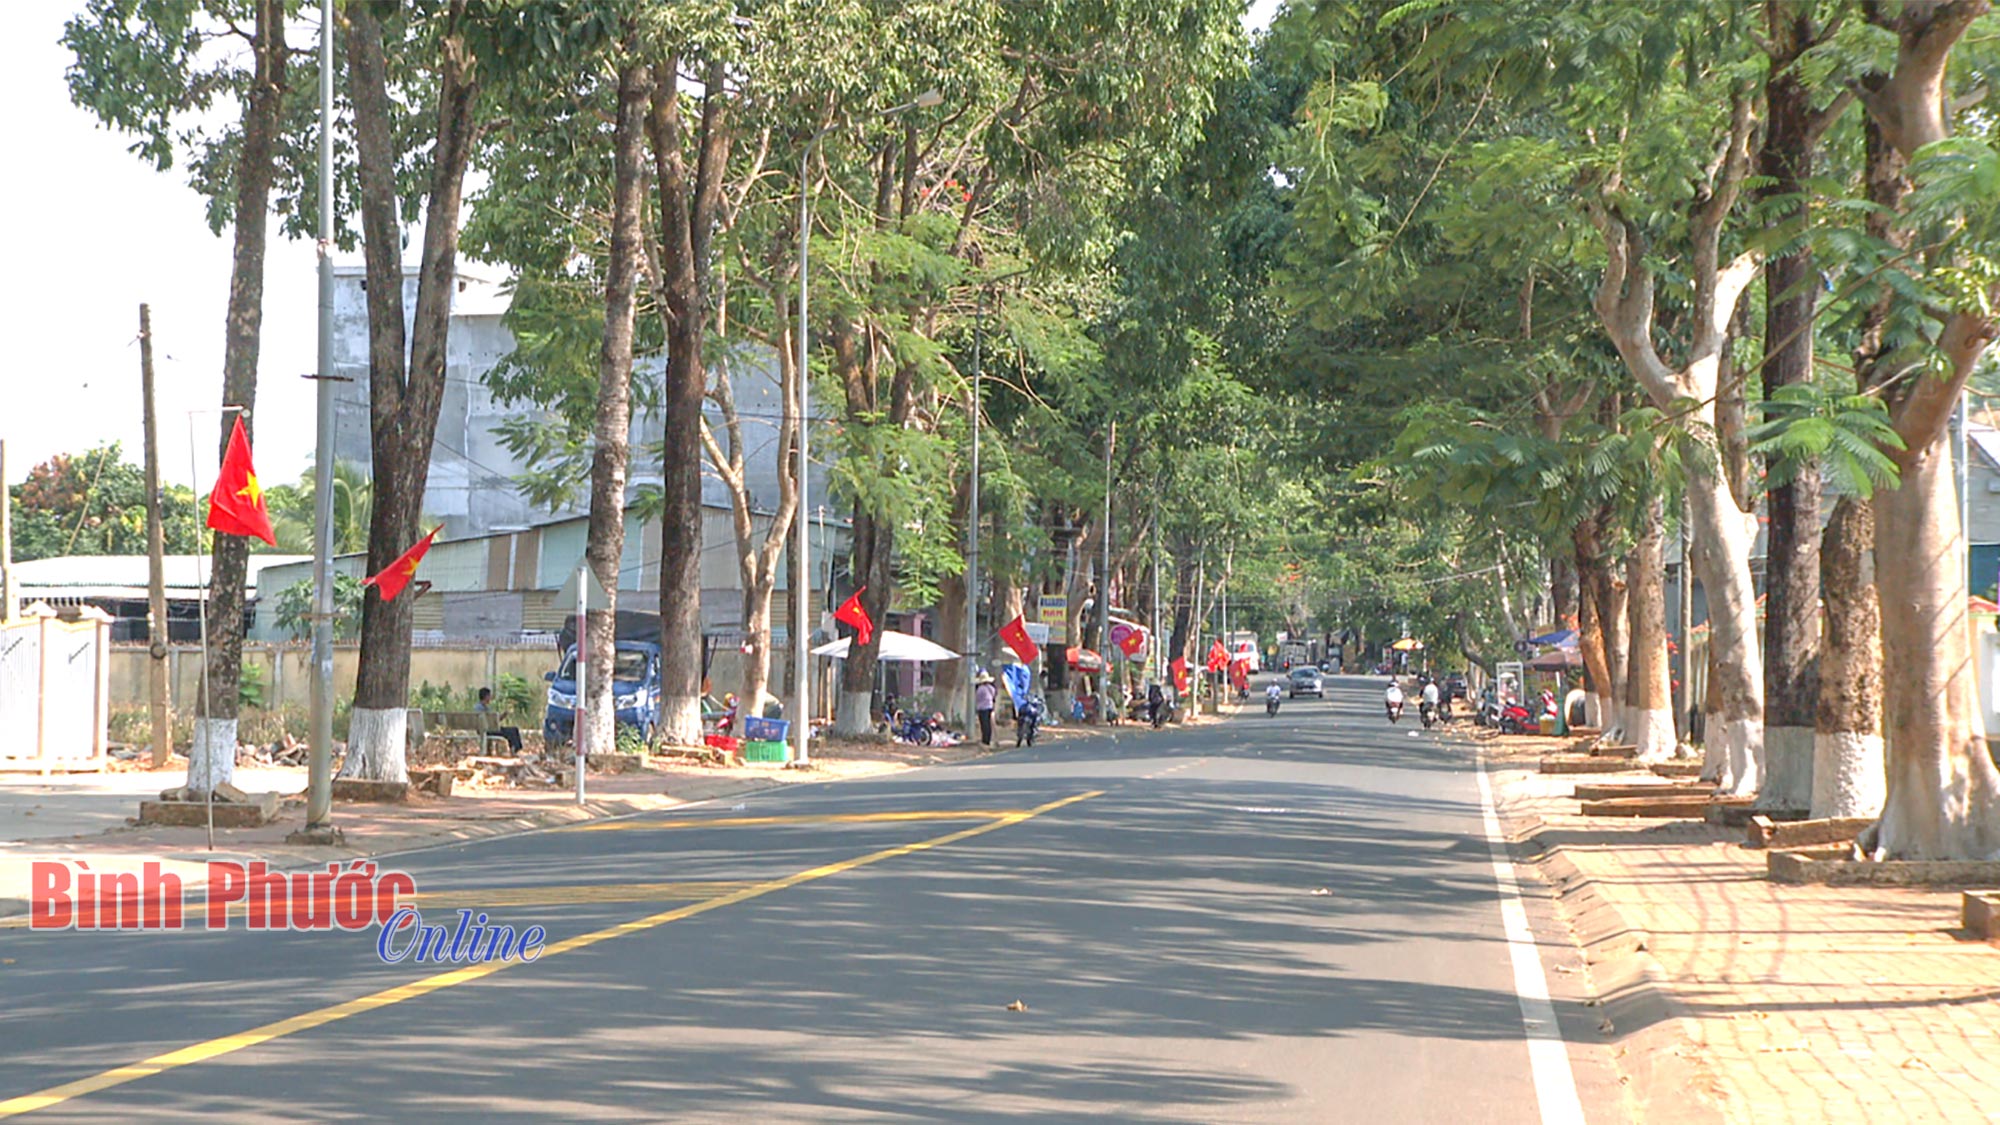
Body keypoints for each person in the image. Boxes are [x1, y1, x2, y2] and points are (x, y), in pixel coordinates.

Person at [475, 687, 524, 753]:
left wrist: (503, 716)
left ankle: (515, 748)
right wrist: (501, 717)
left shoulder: (479, 707)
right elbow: (492, 722)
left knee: (514, 729)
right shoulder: (482, 708)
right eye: (489, 696)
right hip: (489, 730)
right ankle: (515, 749)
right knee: (512, 731)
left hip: (488, 729)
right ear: (486, 696)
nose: (490, 698)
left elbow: (493, 721)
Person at [974, 671, 999, 747]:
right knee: (988, 724)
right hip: (990, 707)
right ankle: (987, 739)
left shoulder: (980, 689)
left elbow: (978, 698)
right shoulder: (991, 688)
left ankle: (985, 740)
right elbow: (994, 696)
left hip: (982, 708)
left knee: (984, 724)